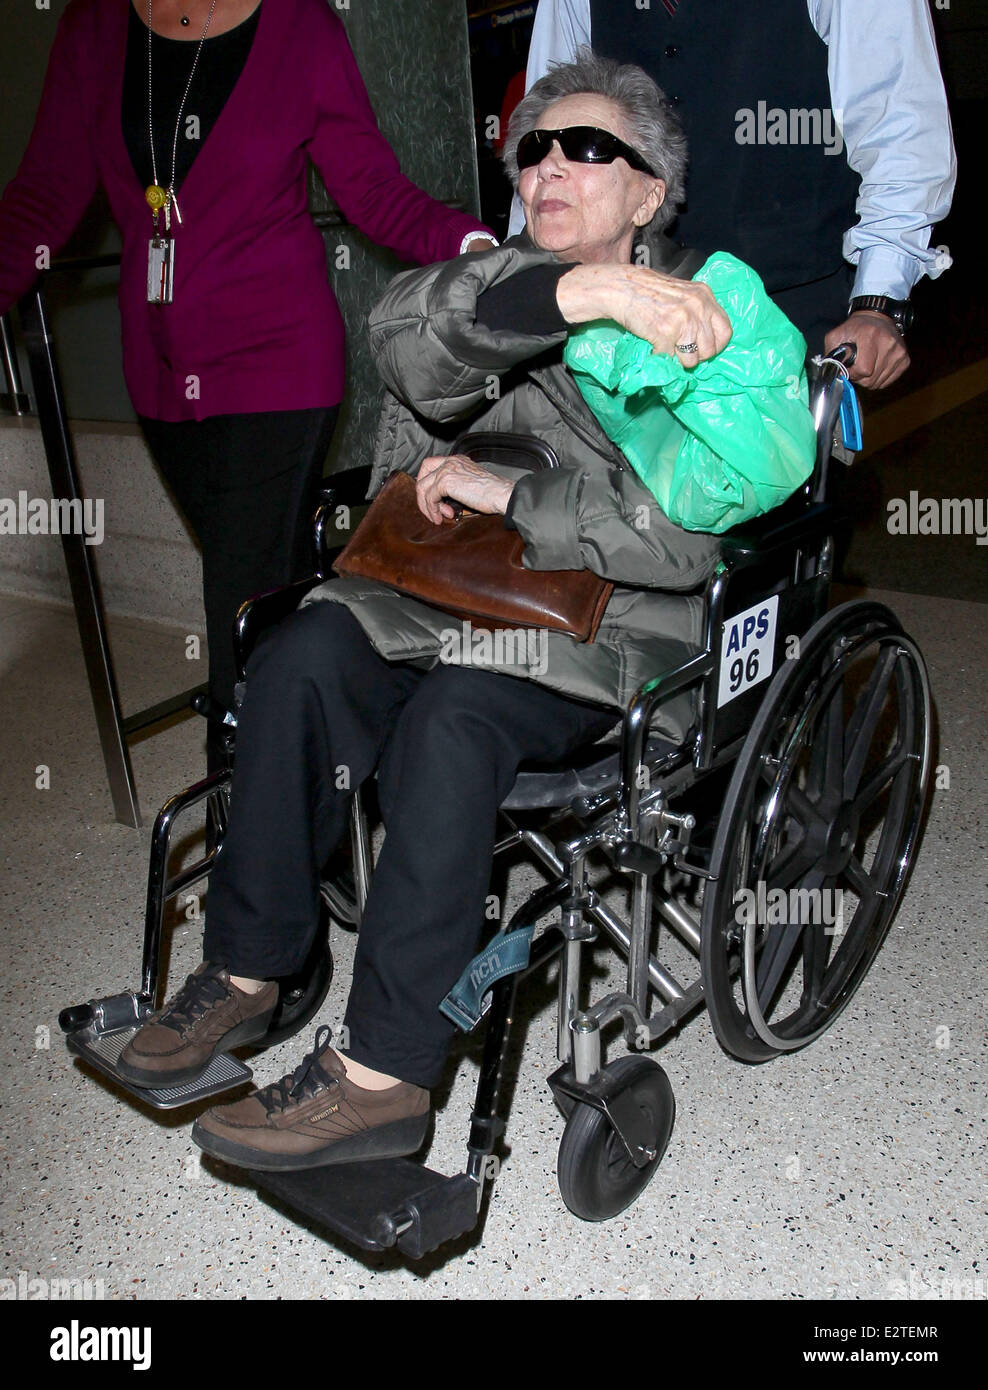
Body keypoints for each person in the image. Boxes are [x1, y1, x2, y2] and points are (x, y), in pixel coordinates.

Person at [114, 52, 769, 1172]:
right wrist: (578, 291)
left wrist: (523, 496)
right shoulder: (498, 286)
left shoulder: (714, 313)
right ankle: (252, 963)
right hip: (444, 594)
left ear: (652, 192)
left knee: (454, 717)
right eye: (534, 149)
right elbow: (405, 338)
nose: (551, 164)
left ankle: (383, 1074)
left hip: (607, 628)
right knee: (302, 649)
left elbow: (692, 530)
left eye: (590, 148)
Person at [0, 0, 495, 773]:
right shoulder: (92, 28)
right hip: (158, 378)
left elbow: (371, 187)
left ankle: (250, 844)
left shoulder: (300, 25)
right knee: (278, 594)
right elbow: (45, 195)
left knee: (238, 612)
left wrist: (469, 245)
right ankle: (346, 771)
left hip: (281, 366)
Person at [511, 0, 957, 389]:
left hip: (787, 313)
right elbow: (543, 138)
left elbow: (899, 126)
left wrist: (876, 302)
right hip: (616, 311)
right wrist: (521, 280)